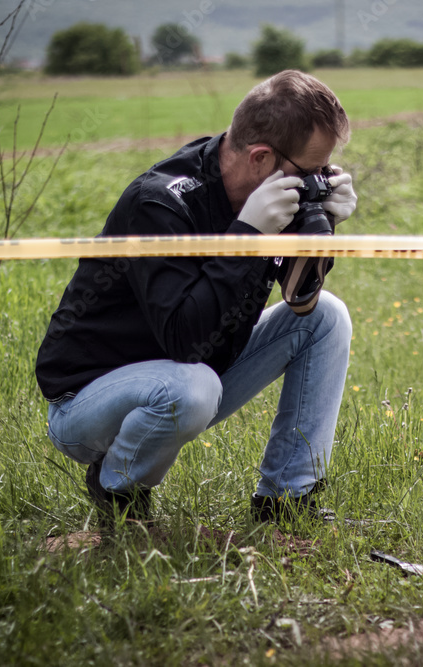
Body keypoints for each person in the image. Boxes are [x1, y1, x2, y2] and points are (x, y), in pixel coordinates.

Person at [35, 70, 357, 529]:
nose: (313, 182)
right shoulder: (159, 205)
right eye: (309, 173)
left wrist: (319, 227)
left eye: (323, 172)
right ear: (262, 158)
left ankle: (287, 500)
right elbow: (186, 342)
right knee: (192, 387)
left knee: (327, 318)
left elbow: (297, 296)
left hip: (193, 374)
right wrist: (246, 237)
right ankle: (118, 492)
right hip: (89, 402)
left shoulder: (263, 189)